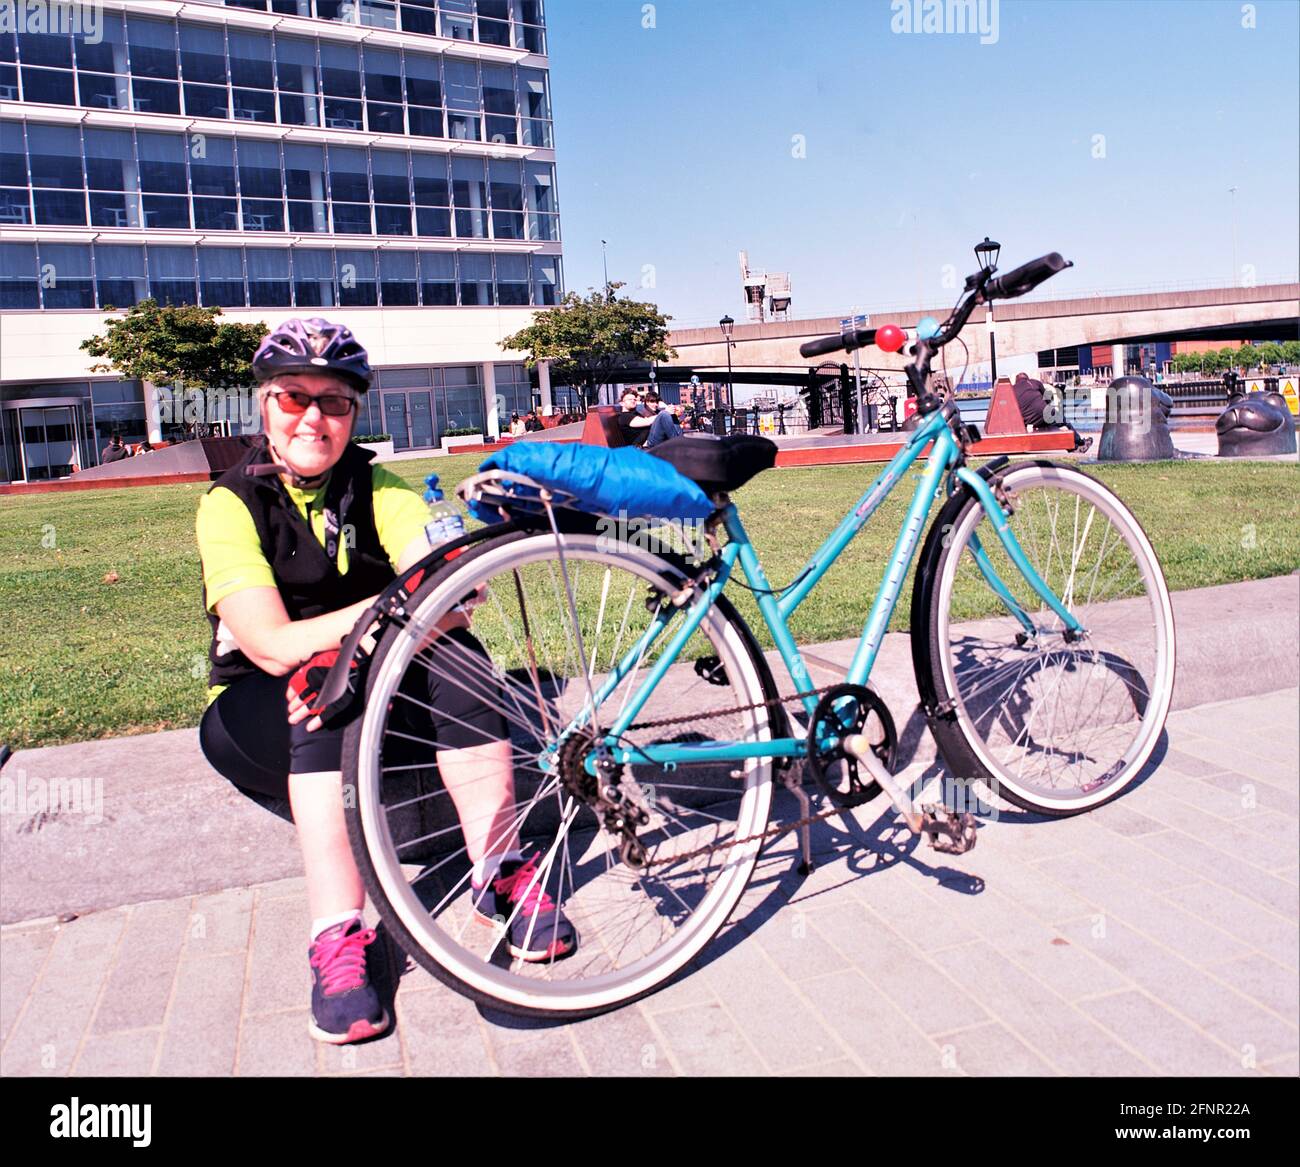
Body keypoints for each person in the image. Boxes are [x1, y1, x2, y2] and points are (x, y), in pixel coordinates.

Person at [195, 318, 576, 1045]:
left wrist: (411, 609)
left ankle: (500, 869)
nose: (313, 417)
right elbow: (271, 645)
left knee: (461, 654)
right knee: (314, 684)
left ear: (355, 414)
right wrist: (391, 613)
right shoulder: (229, 503)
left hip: (376, 671)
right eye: (293, 398)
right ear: (264, 406)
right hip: (257, 705)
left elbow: (457, 593)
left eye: (334, 403)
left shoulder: (380, 486)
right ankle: (339, 935)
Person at [1012, 371, 1091, 452]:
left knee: (1051, 426)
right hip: (1044, 414)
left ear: (1016, 381)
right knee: (1063, 421)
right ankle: (1080, 442)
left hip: (1027, 420)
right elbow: (1047, 398)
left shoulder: (1012, 389)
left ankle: (1073, 447)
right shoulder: (1034, 382)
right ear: (1027, 378)